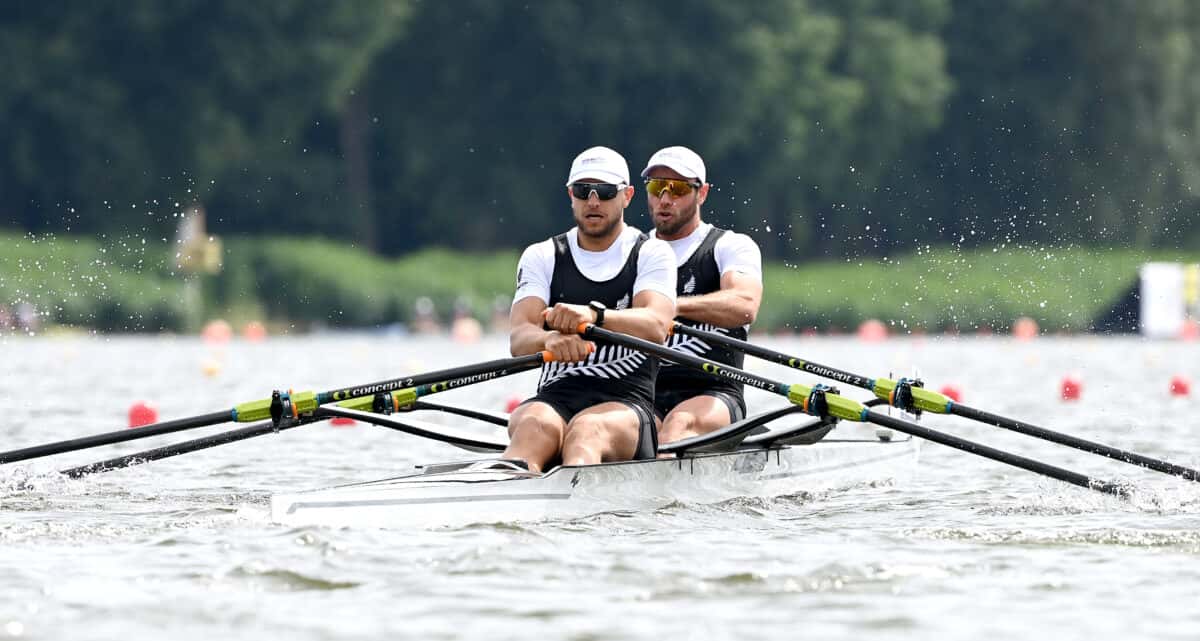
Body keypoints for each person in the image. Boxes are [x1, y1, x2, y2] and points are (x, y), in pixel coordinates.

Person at [503, 146, 677, 472]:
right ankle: (504, 501)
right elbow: (519, 336)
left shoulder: (652, 253)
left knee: (587, 431)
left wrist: (594, 316)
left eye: (605, 192)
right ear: (571, 195)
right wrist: (548, 342)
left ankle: (573, 513)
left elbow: (656, 325)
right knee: (531, 426)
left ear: (626, 196)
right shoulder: (542, 255)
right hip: (556, 396)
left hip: (627, 402)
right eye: (584, 191)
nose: (593, 201)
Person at [641, 146, 763, 444]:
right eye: (657, 187)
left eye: (678, 188)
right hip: (642, 394)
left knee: (677, 426)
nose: (665, 199)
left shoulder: (728, 246)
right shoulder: (634, 251)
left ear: (702, 193)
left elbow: (744, 305)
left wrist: (671, 307)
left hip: (714, 394)